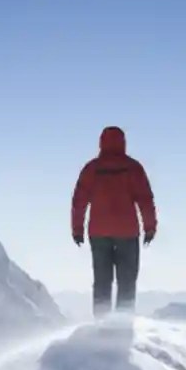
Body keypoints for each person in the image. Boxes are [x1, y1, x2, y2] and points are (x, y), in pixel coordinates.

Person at [71, 126, 157, 317]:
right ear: (123, 142)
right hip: (127, 233)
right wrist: (149, 228)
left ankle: (101, 324)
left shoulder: (92, 169)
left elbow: (79, 201)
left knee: (102, 281)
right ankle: (122, 325)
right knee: (127, 281)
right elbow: (145, 199)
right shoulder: (133, 168)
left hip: (98, 233)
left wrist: (77, 229)